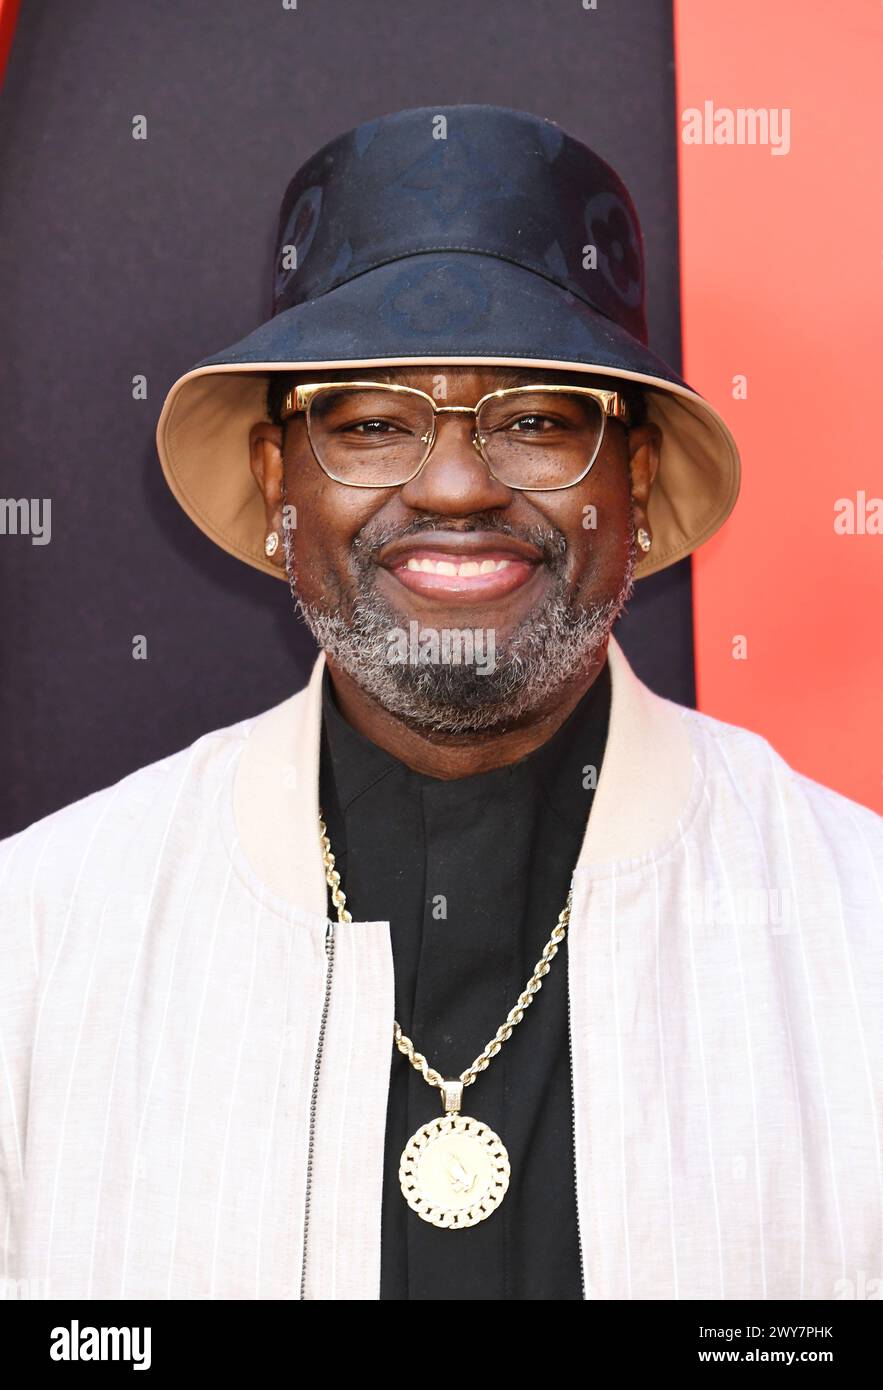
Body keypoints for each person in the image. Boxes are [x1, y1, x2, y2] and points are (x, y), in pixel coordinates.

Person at [1, 105, 880, 1302]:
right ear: (277, 478)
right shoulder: (44, 941)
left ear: (634, 476)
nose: (457, 485)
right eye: (370, 424)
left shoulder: (851, 931)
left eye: (532, 421)